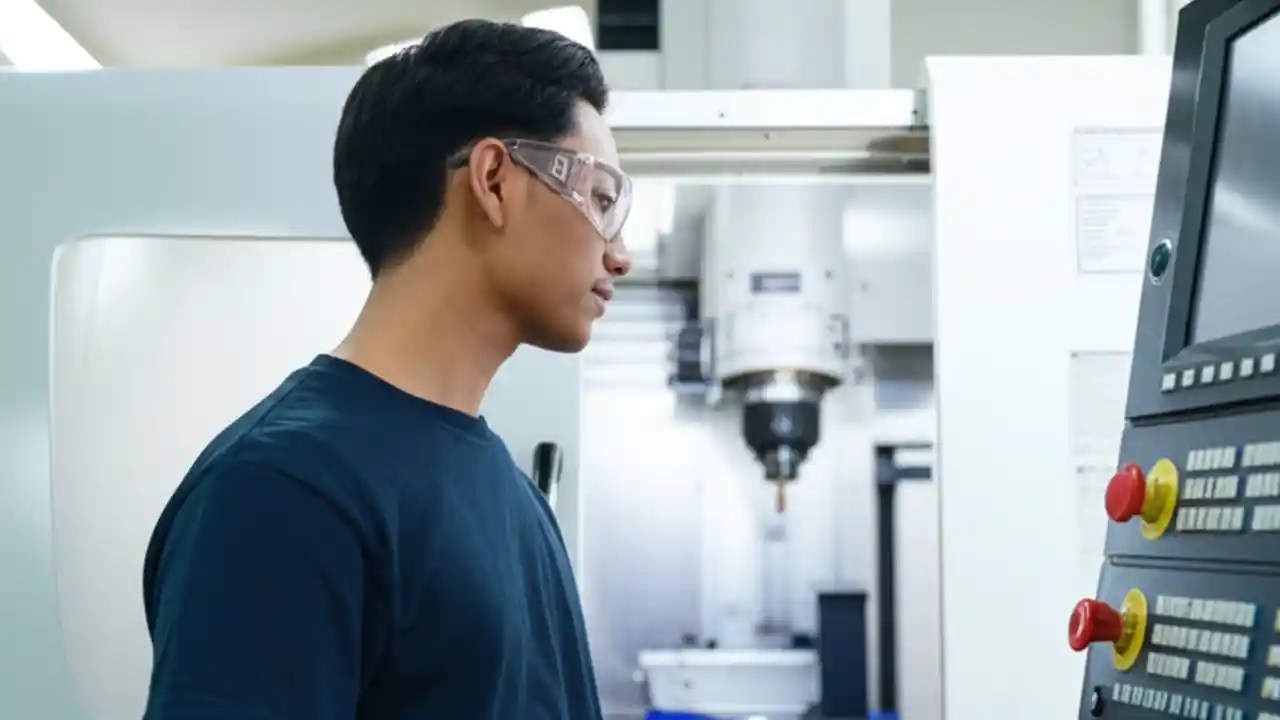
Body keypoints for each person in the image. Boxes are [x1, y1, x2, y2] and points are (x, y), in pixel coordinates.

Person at [140, 18, 631, 720]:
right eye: (603, 200)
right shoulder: (283, 491)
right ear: (494, 180)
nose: (621, 254)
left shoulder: (517, 503)